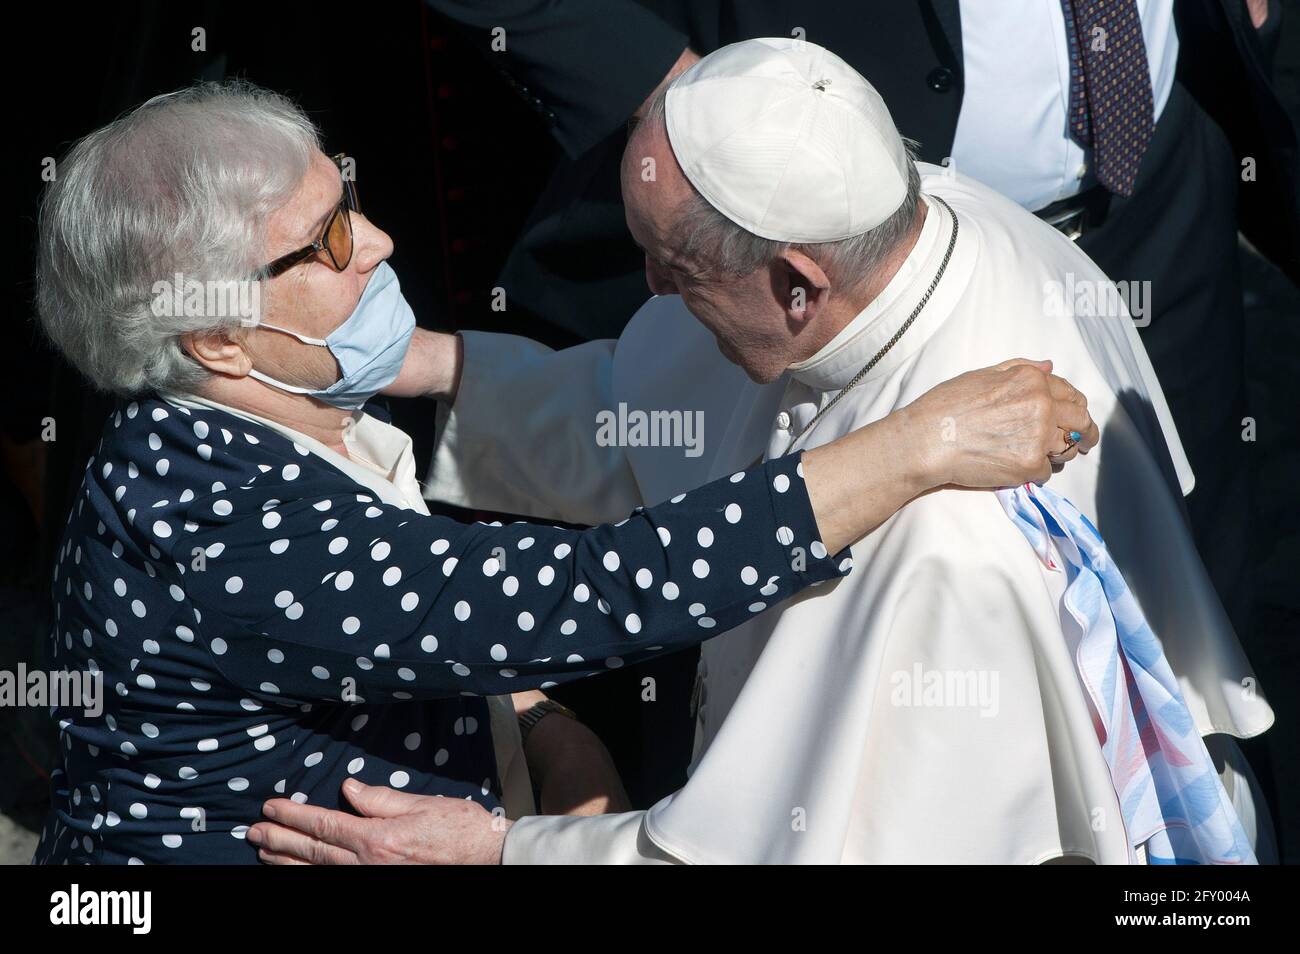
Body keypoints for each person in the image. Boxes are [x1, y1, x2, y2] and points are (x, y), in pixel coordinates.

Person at [250, 40, 1274, 865]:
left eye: (676, 269)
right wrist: (428, 365)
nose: (649, 289)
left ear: (796, 283)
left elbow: (775, 841)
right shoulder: (912, 213)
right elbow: (640, 415)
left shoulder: (940, 539)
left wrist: (499, 850)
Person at [27, 79, 1094, 864]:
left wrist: (544, 729)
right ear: (217, 340)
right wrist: (915, 447)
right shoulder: (202, 506)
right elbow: (585, 594)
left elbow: (450, 619)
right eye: (329, 240)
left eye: (349, 203)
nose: (382, 243)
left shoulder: (261, 425)